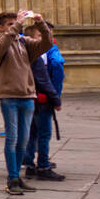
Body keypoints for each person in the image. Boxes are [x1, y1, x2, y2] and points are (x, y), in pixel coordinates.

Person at [0, 10, 52, 195]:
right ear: (2, 27)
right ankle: (12, 178)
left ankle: (17, 175)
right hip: (9, 96)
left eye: (16, 24)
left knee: (23, 140)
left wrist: (41, 23)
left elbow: (47, 44)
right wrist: (17, 24)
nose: (15, 27)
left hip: (27, 96)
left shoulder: (24, 42)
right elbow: (2, 46)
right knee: (12, 138)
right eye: (10, 24)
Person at [22, 22, 66, 181]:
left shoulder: (25, 53)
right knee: (43, 134)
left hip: (31, 99)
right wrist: (55, 98)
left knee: (32, 132)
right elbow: (45, 79)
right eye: (40, 35)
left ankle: (30, 165)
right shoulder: (39, 56)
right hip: (42, 100)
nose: (46, 38)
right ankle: (43, 166)